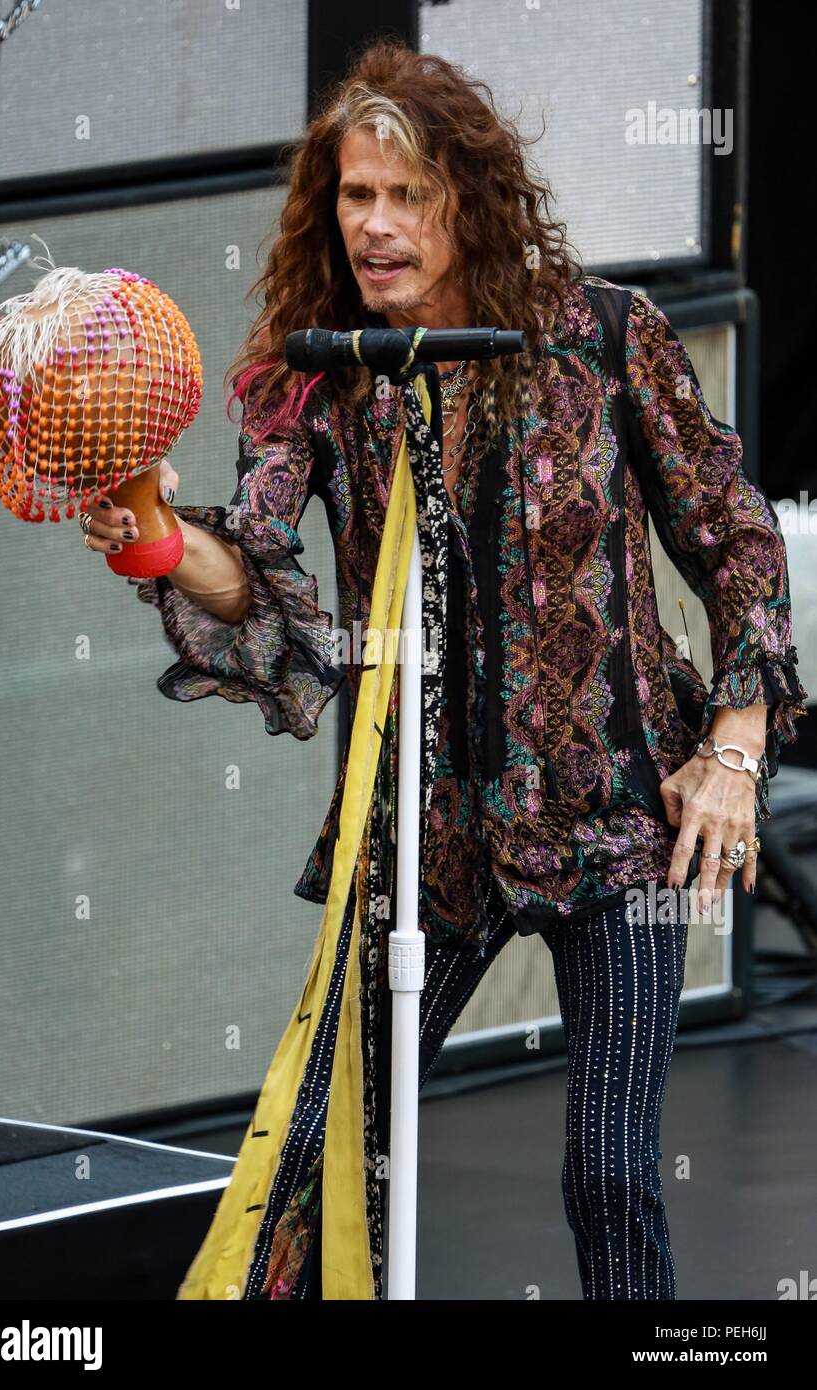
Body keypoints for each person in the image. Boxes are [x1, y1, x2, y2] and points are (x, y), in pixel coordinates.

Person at [78, 41, 808, 1299]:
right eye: (354, 195)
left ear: (467, 200)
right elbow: (253, 575)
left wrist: (732, 748)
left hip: (612, 815)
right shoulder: (320, 374)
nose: (374, 224)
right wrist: (155, 536)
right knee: (323, 1148)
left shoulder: (602, 337)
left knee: (607, 1174)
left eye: (405, 195)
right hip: (429, 824)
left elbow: (734, 538)